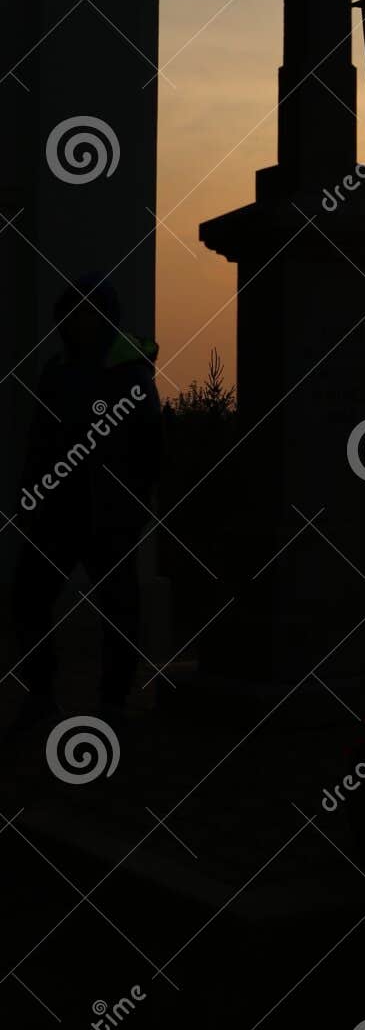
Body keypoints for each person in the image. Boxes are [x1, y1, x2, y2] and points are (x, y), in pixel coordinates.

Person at [11, 273, 162, 727]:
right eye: (74, 312)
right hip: (57, 512)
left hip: (109, 515)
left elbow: (150, 448)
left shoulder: (131, 375)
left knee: (119, 611)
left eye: (89, 312)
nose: (81, 321)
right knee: (29, 600)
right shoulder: (57, 373)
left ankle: (113, 701)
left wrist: (134, 506)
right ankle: (40, 694)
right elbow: (39, 440)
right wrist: (30, 493)